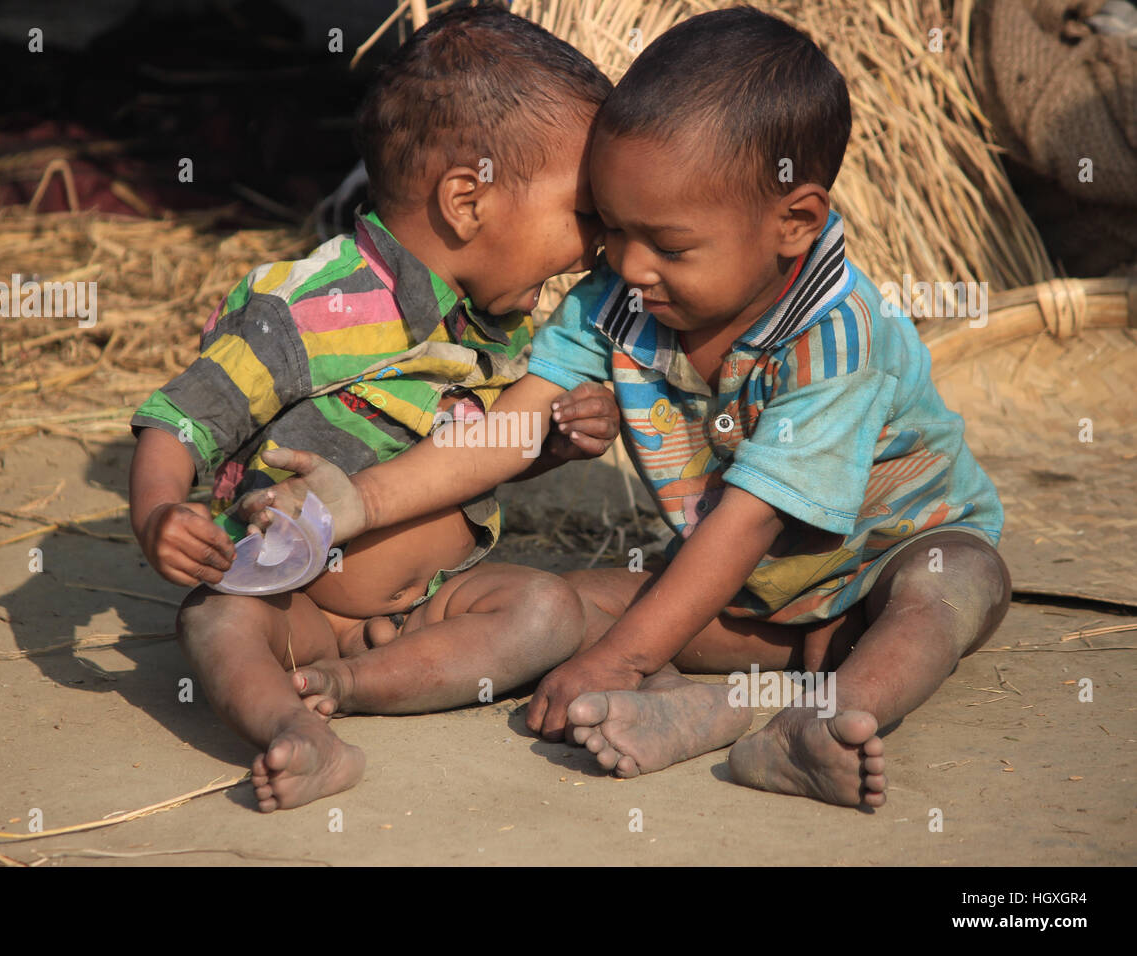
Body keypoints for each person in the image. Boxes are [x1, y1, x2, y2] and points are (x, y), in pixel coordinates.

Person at [266, 6, 1012, 809]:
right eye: (612, 229)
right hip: (742, 602)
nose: (627, 264)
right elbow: (508, 429)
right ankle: (704, 704)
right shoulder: (617, 301)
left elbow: (749, 519)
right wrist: (365, 498)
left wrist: (619, 659)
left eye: (670, 245)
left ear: (794, 223)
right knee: (561, 605)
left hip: (886, 565)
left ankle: (826, 717)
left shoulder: (836, 338)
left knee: (955, 585)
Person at [128, 6, 618, 812]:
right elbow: (182, 417)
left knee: (546, 608)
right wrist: (157, 513)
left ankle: (350, 687)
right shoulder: (305, 309)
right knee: (216, 621)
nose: (598, 246)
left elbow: (476, 454)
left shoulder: (500, 327)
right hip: (301, 603)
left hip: (438, 602)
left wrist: (553, 446)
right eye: (585, 213)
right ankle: (297, 726)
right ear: (468, 200)